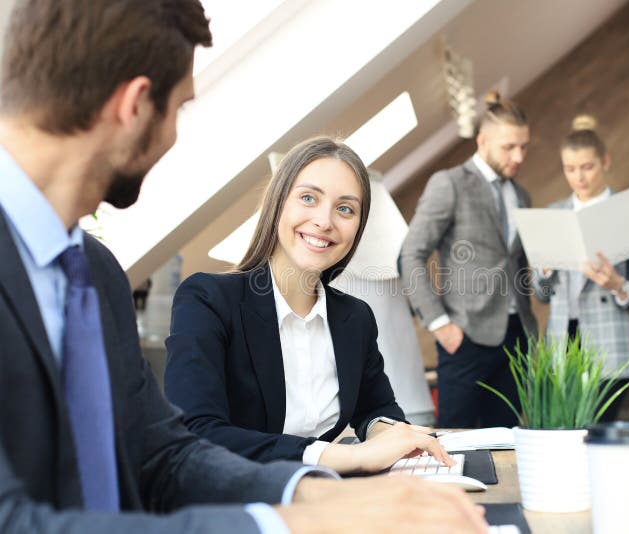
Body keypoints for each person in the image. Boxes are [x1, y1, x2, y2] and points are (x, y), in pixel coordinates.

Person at [0, 1, 487, 532]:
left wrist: (315, 498)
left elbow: (166, 458)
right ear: (136, 104)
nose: (173, 137)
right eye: (179, 109)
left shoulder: (96, 274)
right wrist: (295, 521)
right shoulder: (198, 296)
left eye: (346, 208)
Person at [165, 136, 451, 473]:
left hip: (332, 499)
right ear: (277, 204)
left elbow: (376, 407)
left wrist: (391, 434)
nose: (325, 221)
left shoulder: (355, 318)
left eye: (345, 208)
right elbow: (196, 433)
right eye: (308, 198)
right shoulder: (208, 300)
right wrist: (347, 457)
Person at [399, 92, 538, 428]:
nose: (518, 156)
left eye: (524, 146)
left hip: (517, 337)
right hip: (465, 337)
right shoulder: (449, 184)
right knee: (454, 438)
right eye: (509, 147)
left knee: (505, 438)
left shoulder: (521, 194)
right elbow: (410, 255)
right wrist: (438, 324)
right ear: (482, 141)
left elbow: (516, 264)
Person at [531, 115, 629, 420]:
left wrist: (619, 285)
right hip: (563, 344)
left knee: (600, 434)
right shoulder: (555, 214)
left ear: (605, 161)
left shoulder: (628, 213)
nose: (579, 177)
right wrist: (542, 271)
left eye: (587, 167)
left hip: (611, 344)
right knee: (569, 434)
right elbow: (541, 296)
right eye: (570, 169)